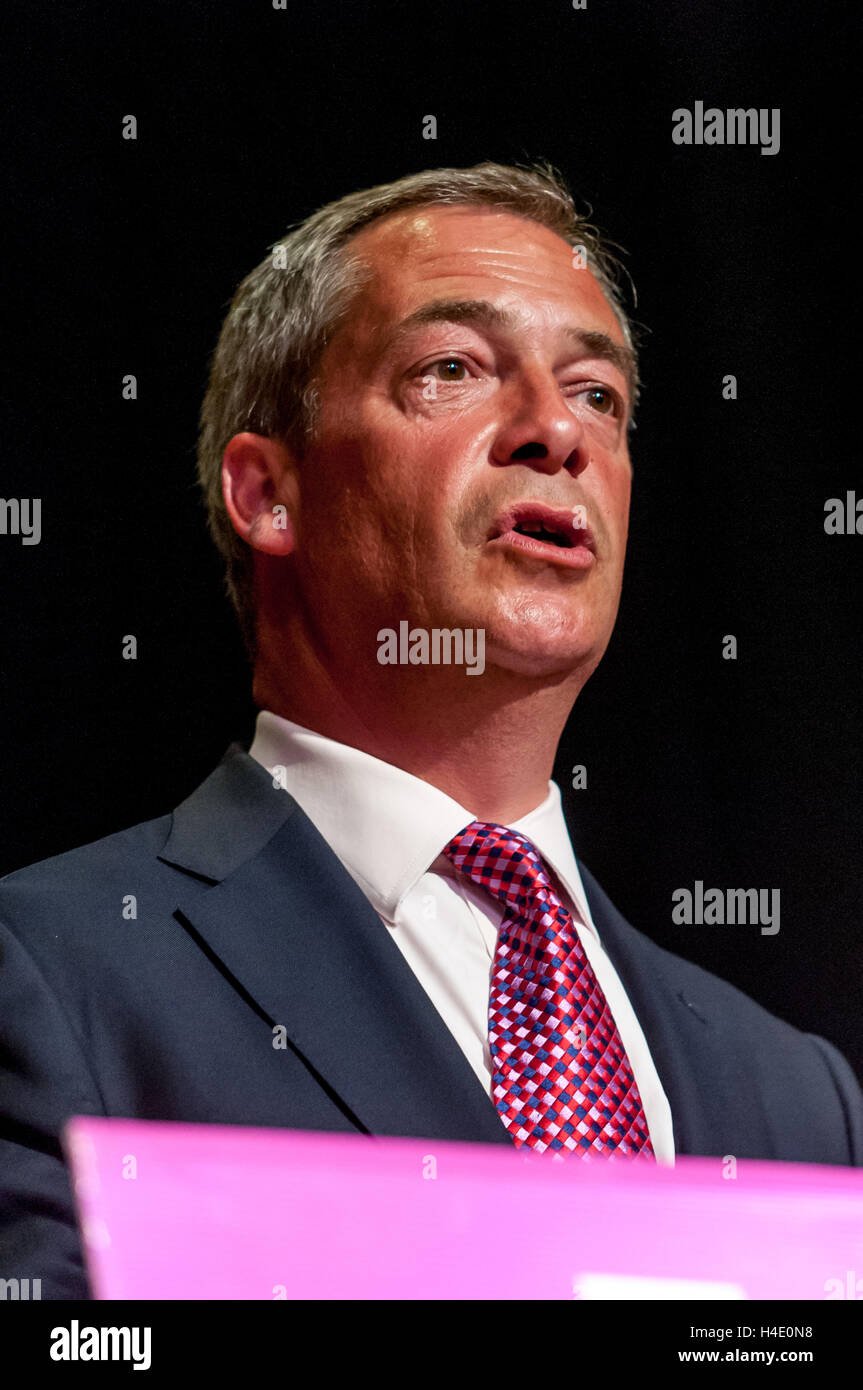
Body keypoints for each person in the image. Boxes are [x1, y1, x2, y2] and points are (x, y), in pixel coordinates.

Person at [1, 163, 860, 1301]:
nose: (555, 431)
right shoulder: (48, 971)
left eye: (597, 395)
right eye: (451, 369)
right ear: (267, 493)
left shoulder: (801, 1096)